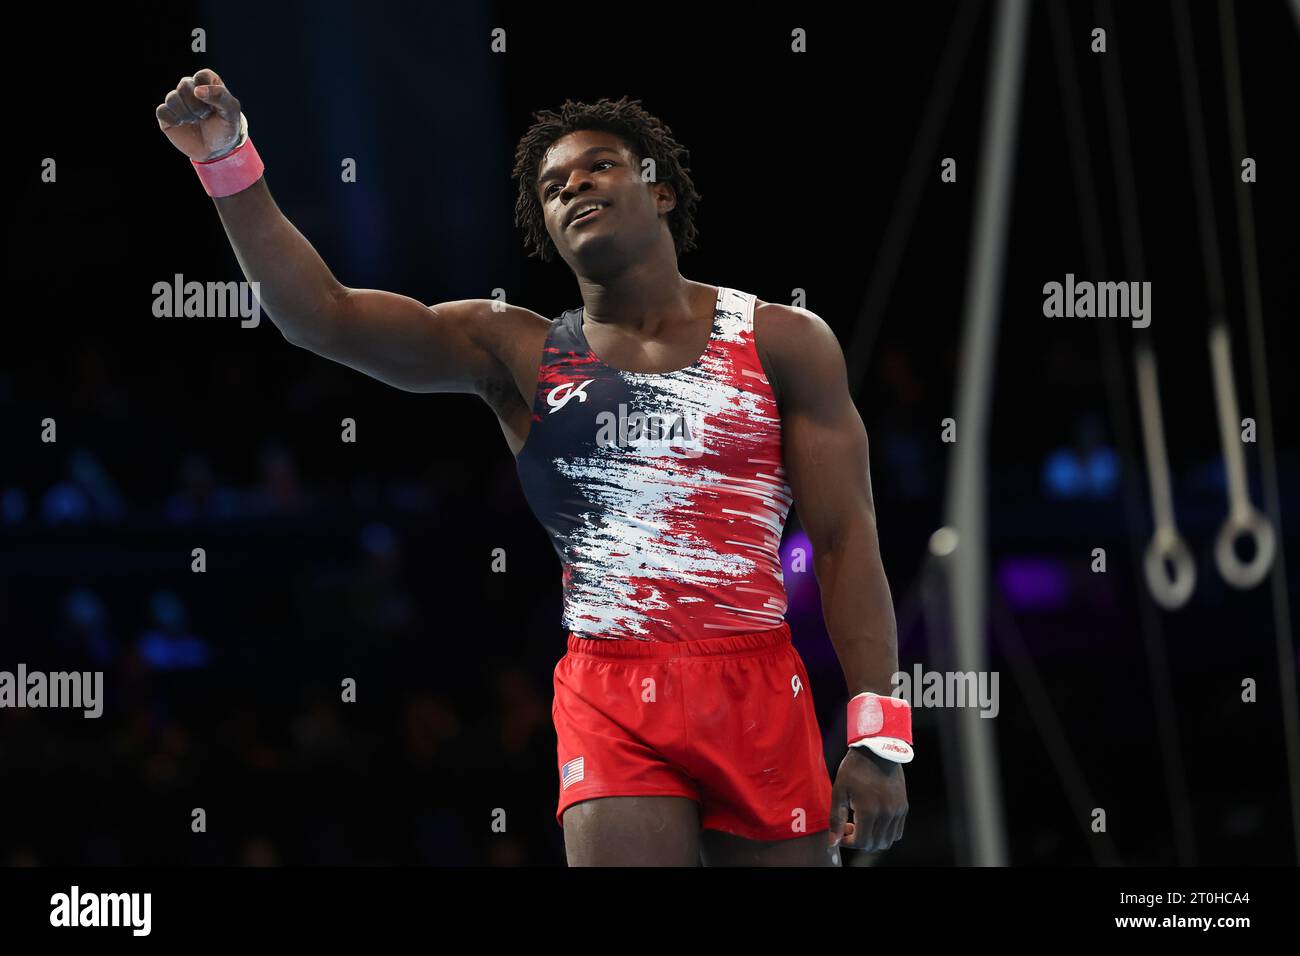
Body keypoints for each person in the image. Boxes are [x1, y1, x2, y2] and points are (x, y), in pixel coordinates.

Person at [156, 70, 909, 866]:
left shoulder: (784, 340)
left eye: (598, 167)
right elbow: (323, 317)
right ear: (547, 227)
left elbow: (844, 541)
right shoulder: (518, 351)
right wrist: (227, 162)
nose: (574, 185)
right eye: (553, 187)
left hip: (757, 685)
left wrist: (880, 736)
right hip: (611, 692)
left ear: (661, 192)